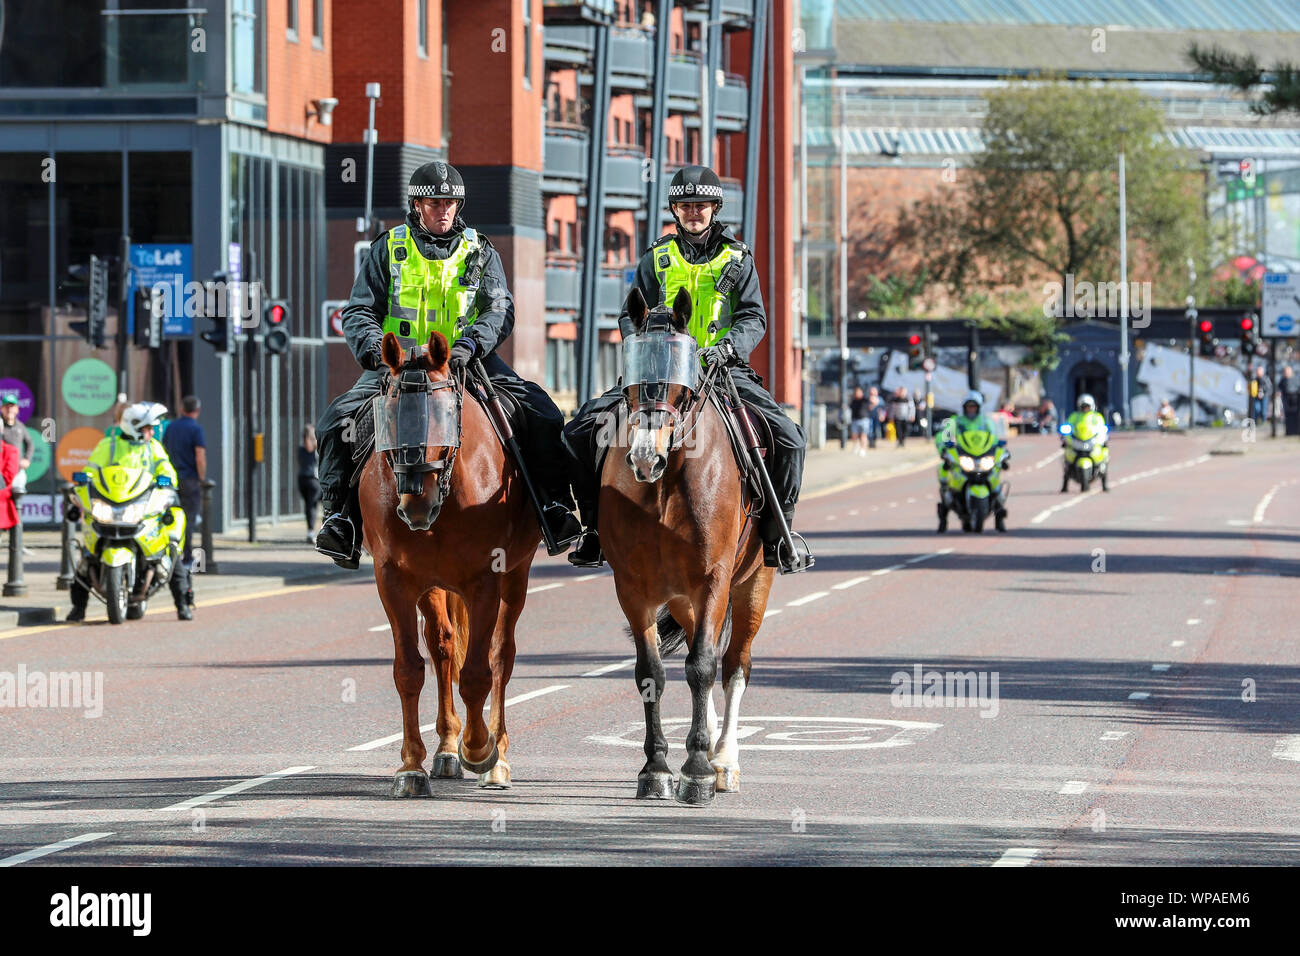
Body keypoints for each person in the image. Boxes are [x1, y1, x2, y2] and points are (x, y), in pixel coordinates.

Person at [313, 161, 581, 569]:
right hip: (398, 368)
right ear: (417, 205)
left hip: (467, 363)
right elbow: (359, 311)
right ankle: (340, 520)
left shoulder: (480, 251)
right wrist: (376, 351)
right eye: (435, 202)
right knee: (337, 421)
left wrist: (471, 344)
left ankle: (554, 507)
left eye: (451, 203)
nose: (444, 210)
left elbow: (500, 309)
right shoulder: (388, 248)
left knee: (541, 412)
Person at [562, 164, 810, 573]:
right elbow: (630, 314)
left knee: (790, 440)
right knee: (578, 432)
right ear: (674, 210)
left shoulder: (737, 258)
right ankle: (593, 530)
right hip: (658, 373)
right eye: (685, 205)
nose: (694, 212)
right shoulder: (656, 257)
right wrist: (640, 339)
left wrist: (730, 347)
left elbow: (754, 317)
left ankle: (778, 537)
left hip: (721, 371)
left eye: (701, 205)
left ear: (715, 208)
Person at [67, 402, 193, 622]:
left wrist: (168, 483)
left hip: (142, 507)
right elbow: (91, 470)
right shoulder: (109, 445)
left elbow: (166, 470)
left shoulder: (152, 447)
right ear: (134, 427)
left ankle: (182, 604)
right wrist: (82, 486)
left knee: (170, 549)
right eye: (147, 428)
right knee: (87, 558)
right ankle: (78, 608)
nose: (151, 432)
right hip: (112, 507)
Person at [934, 389, 1009, 529]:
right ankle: (943, 519)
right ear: (964, 407)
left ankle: (999, 518)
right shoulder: (956, 421)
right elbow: (942, 436)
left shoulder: (987, 422)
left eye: (974, 406)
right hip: (963, 456)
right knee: (946, 480)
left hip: (982, 457)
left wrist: (1002, 451)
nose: (971, 409)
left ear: (979, 408)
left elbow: (995, 438)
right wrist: (943, 448)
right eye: (969, 406)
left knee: (996, 483)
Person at [161, 395, 205, 570]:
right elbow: (200, 455)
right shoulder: (196, 429)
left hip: (173, 480)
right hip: (190, 479)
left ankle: (171, 555)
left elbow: (164, 450)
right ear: (197, 410)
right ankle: (188, 559)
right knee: (189, 520)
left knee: (172, 519)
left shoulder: (171, 427)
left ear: (181, 409)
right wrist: (202, 478)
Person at [0, 394, 32, 495]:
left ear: (17, 409)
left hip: (17, 471)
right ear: (2, 408)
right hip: (2, 471)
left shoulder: (20, 426)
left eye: (12, 406)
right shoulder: (0, 424)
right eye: (7, 407)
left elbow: (30, 443)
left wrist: (27, 459)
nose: (9, 409)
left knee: (17, 500)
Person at [298, 424, 321, 542]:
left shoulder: (316, 448)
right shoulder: (304, 449)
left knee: (311, 506)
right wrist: (310, 435)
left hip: (309, 481)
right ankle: (311, 532)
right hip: (310, 481)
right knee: (311, 506)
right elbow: (309, 447)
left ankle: (311, 531)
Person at [848, 386, 871, 456]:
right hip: (855, 420)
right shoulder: (853, 401)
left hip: (864, 420)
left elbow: (871, 405)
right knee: (854, 435)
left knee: (863, 435)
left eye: (859, 392)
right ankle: (856, 446)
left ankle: (863, 449)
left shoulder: (865, 400)